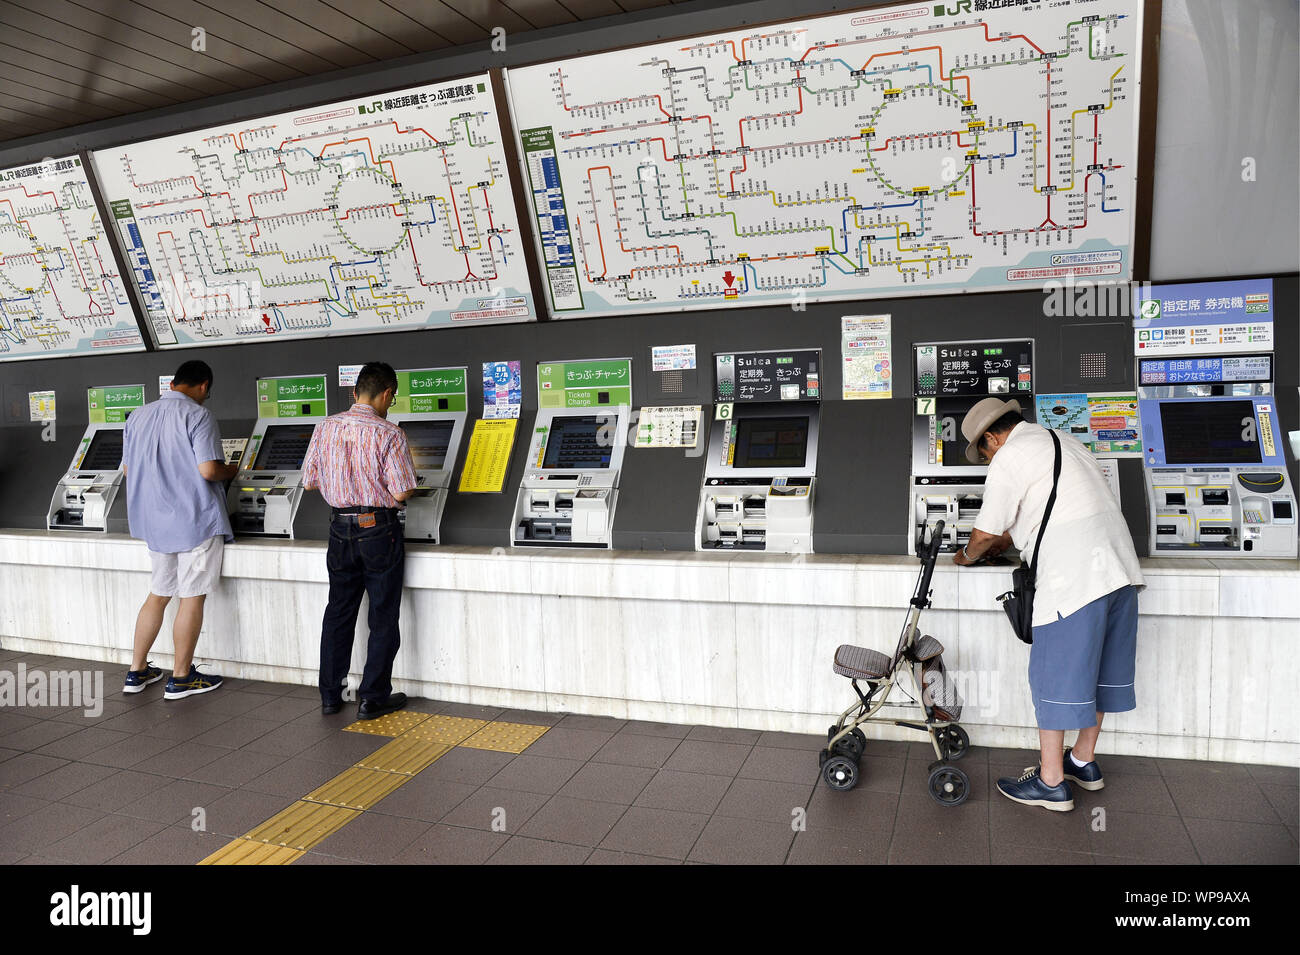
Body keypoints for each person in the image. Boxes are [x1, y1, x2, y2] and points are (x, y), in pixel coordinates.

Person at [953, 398, 1145, 812]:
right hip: (1120, 572)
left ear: (991, 438)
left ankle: (1052, 782)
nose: (987, 460)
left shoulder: (1009, 456)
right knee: (1100, 672)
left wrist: (966, 555)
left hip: (1073, 580)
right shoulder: (1063, 441)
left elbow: (984, 534)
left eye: (983, 452)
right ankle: (1083, 761)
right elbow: (1054, 511)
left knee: (1052, 678)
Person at [301, 361, 417, 720]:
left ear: (355, 393)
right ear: (386, 394)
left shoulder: (326, 427)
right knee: (382, 616)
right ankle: (372, 698)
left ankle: (330, 696)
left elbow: (309, 481)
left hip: (339, 529)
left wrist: (345, 483)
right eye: (392, 398)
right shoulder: (390, 434)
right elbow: (402, 489)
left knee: (338, 612)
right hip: (378, 530)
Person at [122, 360, 237, 700]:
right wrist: (232, 470)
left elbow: (128, 470)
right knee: (191, 597)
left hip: (155, 524)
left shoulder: (138, 416)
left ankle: (137, 670)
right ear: (203, 386)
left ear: (173, 383)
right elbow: (207, 470)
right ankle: (182, 677)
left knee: (157, 594)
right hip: (194, 521)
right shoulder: (198, 416)